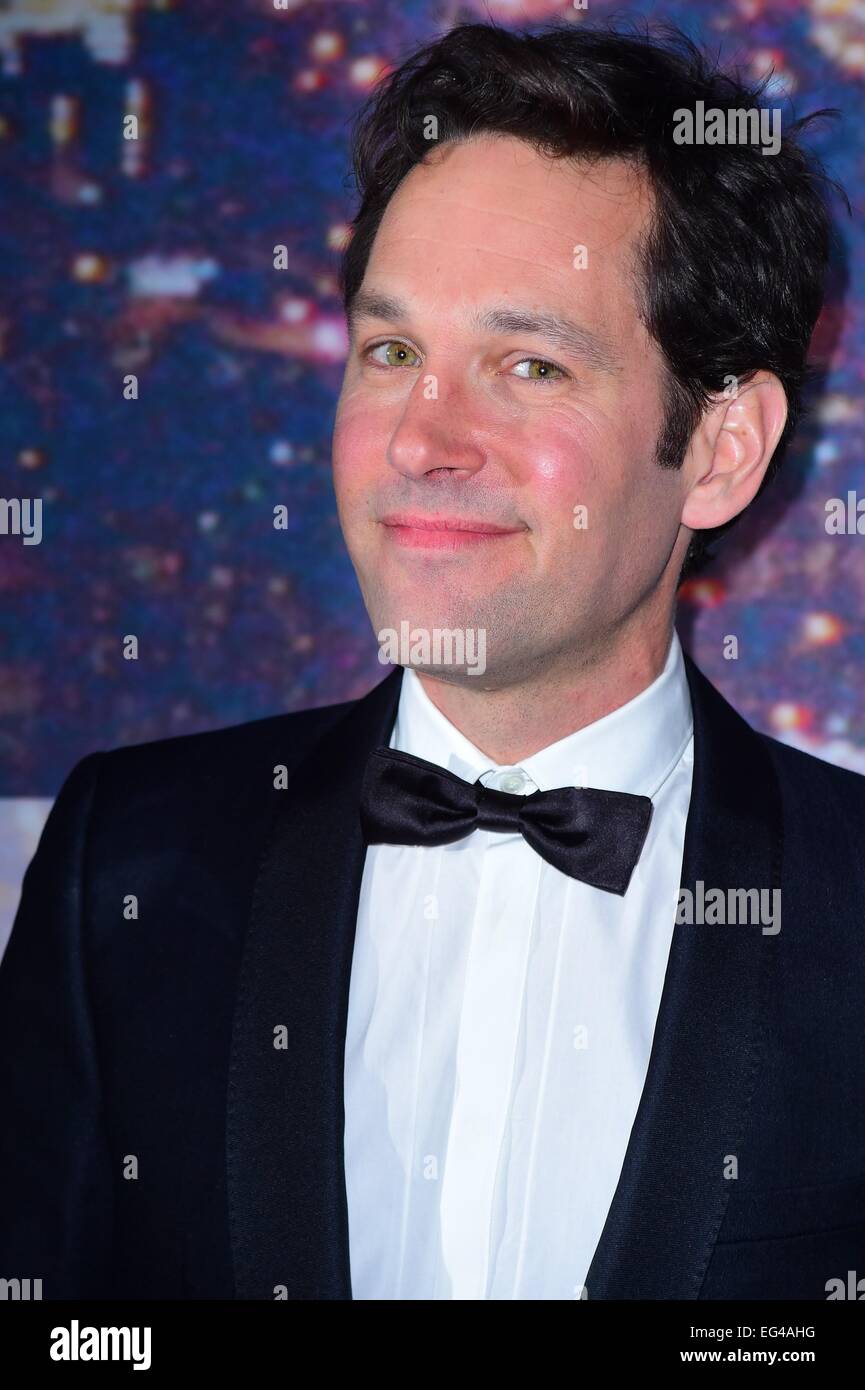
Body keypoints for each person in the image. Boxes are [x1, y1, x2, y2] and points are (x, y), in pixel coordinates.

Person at [1, 20, 863, 1302]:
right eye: (393, 351)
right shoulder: (123, 866)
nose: (420, 440)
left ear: (720, 448)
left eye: (529, 365)